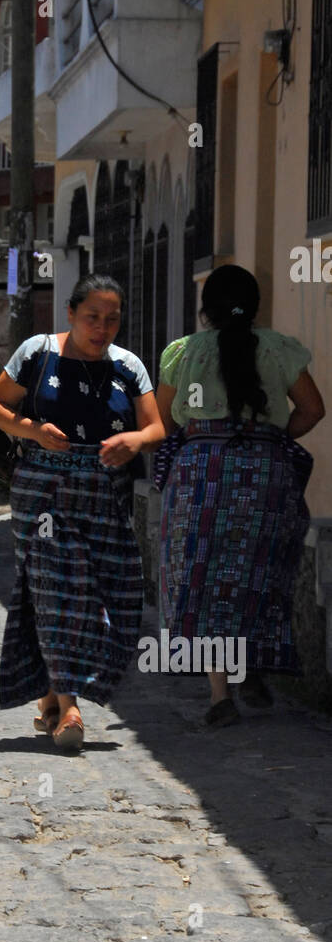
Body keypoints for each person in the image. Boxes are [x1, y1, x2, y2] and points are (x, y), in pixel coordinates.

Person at [0, 275, 164, 751]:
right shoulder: (37, 353)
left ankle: (47, 697)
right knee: (61, 589)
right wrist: (33, 431)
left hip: (105, 495)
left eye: (112, 319)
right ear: (70, 313)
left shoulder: (128, 367)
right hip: (42, 491)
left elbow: (156, 427)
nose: (102, 328)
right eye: (93, 317)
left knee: (112, 596)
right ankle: (69, 707)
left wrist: (135, 441)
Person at [154, 264, 324, 726]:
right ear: (255, 307)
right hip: (265, 471)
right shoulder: (279, 349)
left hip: (200, 473)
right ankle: (250, 663)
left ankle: (219, 695)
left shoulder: (182, 353)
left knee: (204, 574)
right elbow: (313, 409)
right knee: (257, 569)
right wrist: (273, 439)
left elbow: (163, 422)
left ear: (205, 310)